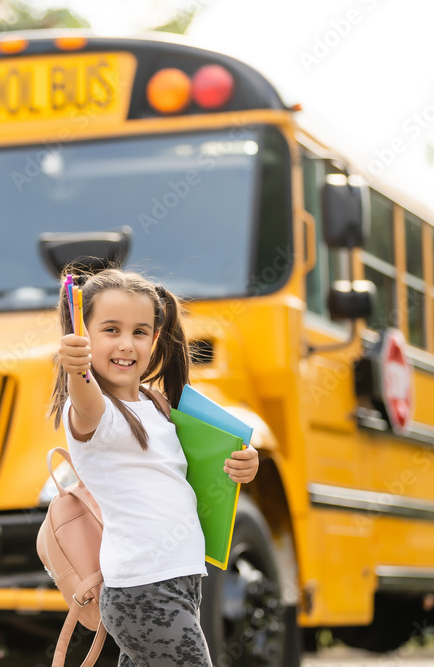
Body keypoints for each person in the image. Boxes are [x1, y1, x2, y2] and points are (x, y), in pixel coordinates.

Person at [48, 268, 259, 667]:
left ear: (156, 338)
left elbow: (199, 472)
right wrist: (77, 368)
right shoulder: (97, 414)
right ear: (84, 334)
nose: (126, 344)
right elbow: (84, 396)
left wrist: (244, 463)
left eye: (140, 332)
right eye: (110, 330)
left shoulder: (157, 406)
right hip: (143, 590)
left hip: (179, 582)